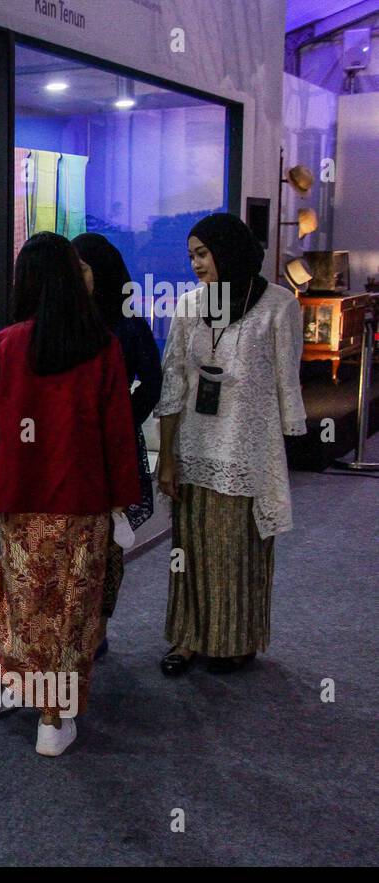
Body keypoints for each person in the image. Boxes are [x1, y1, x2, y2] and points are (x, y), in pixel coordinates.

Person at [0, 232, 140, 757]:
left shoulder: (8, 343)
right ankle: (51, 721)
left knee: (16, 600)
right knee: (70, 610)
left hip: (20, 498)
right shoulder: (101, 345)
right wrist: (124, 503)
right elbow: (117, 433)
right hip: (81, 501)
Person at [155, 213, 306, 676]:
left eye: (203, 253)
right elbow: (174, 383)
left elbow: (287, 381)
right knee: (189, 549)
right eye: (191, 256)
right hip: (195, 446)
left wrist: (287, 445)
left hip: (246, 448)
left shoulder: (279, 306)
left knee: (236, 551)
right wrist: (166, 457)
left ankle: (234, 640)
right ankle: (186, 637)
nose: (196, 264)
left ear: (228, 250)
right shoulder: (188, 306)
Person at [71, 233, 163, 659]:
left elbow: (153, 381)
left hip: (112, 448)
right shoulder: (64, 319)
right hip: (69, 449)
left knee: (107, 542)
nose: (76, 276)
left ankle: (98, 630)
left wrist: (123, 419)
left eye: (84, 267)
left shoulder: (128, 326)